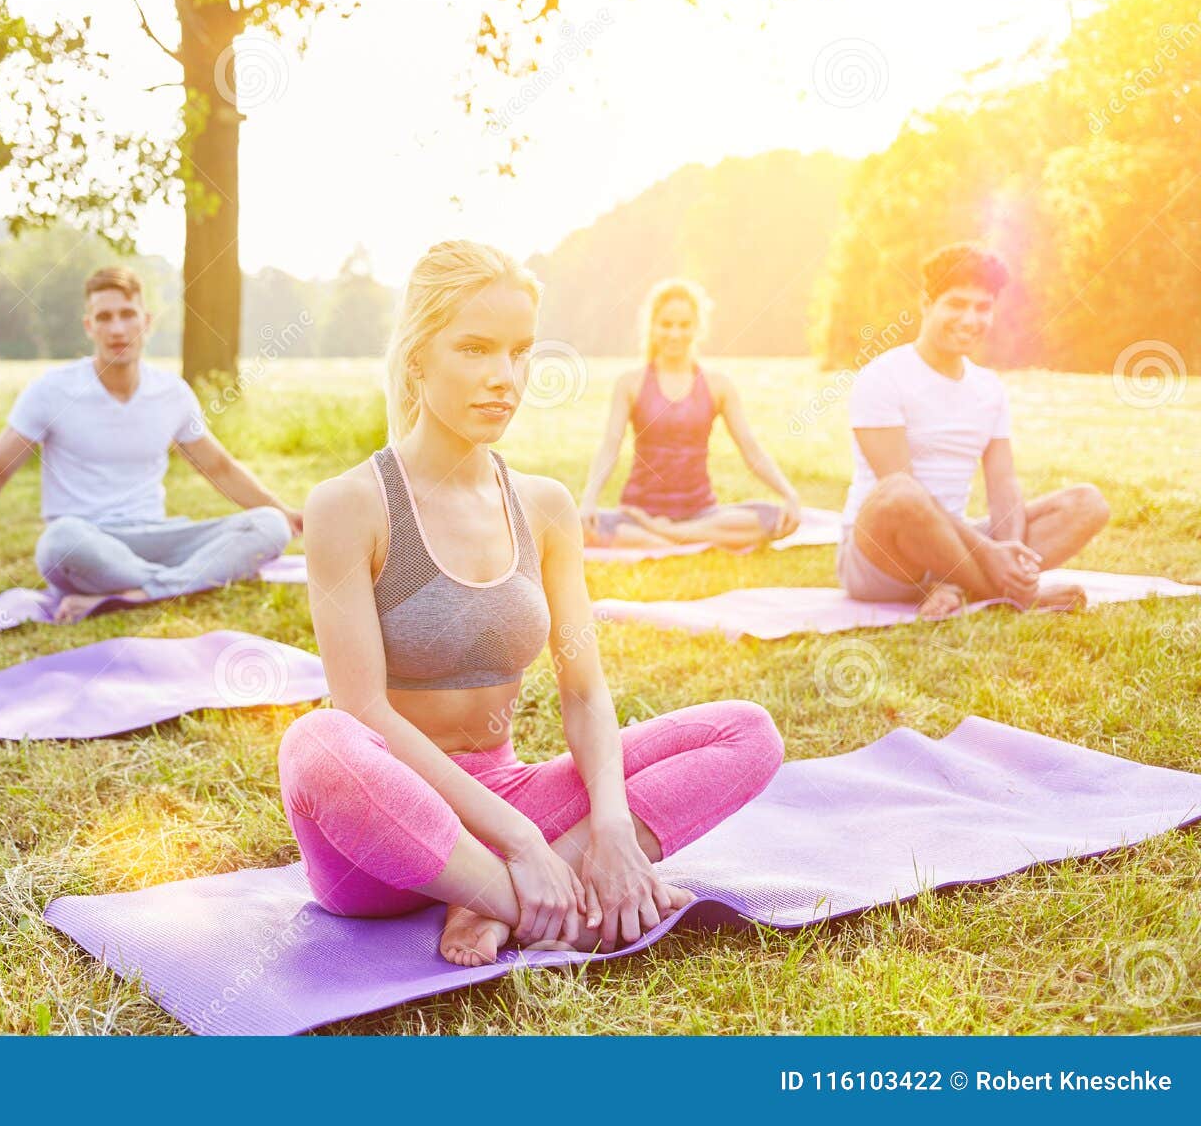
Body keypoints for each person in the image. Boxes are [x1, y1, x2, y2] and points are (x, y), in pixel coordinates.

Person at [278, 241, 785, 967]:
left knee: (748, 732)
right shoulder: (347, 505)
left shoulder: (544, 507)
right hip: (383, 838)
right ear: (418, 358)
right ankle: (535, 898)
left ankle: (506, 892)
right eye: (476, 349)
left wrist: (611, 826)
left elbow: (584, 691)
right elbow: (365, 713)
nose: (504, 379)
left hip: (511, 794)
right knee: (316, 743)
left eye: (519, 353)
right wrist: (518, 842)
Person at [0, 266, 300, 623]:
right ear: (89, 326)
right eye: (104, 317)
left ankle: (140, 593)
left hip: (158, 540)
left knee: (269, 526)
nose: (117, 328)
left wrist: (284, 512)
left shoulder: (172, 393)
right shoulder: (52, 390)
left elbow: (219, 467)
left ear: (145, 321)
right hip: (86, 544)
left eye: (127, 315)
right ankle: (176, 584)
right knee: (57, 542)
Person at [839, 243, 1110, 617]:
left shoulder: (988, 388)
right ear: (925, 304)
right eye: (956, 304)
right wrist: (990, 555)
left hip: (956, 547)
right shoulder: (881, 377)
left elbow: (1002, 485)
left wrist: (1011, 552)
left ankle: (967, 584)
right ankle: (1012, 597)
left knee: (1087, 504)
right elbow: (898, 489)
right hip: (883, 555)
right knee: (900, 493)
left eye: (982, 308)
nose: (969, 319)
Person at [579, 278, 803, 551]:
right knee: (576, 525)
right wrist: (589, 499)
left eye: (684, 325)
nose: (675, 334)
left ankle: (664, 536)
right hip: (638, 513)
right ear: (652, 326)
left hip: (701, 512)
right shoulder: (630, 383)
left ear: (698, 328)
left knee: (770, 518)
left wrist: (789, 494)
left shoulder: (718, 385)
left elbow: (750, 449)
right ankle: (680, 536)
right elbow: (609, 448)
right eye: (666, 324)